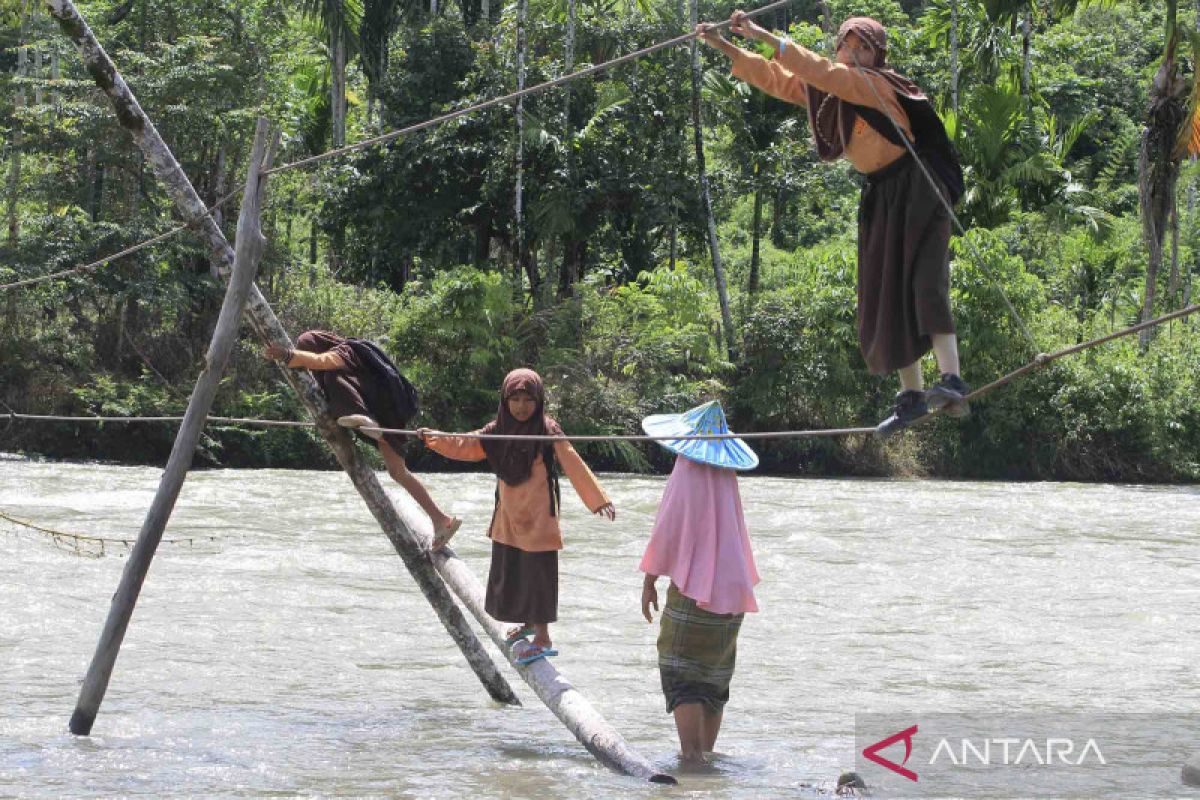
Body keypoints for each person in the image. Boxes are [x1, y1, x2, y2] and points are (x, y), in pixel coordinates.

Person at [697, 13, 970, 437]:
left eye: (864, 48)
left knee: (924, 283)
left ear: (877, 56)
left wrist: (761, 33)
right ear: (838, 46)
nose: (854, 54)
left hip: (918, 187)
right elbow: (778, 78)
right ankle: (912, 396)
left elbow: (821, 71)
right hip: (881, 194)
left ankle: (951, 379)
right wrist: (725, 45)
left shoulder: (873, 84)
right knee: (886, 293)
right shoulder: (828, 93)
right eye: (848, 45)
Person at [419, 368, 616, 665]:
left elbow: (571, 460)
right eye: (515, 399)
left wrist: (598, 500)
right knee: (513, 571)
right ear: (505, 400)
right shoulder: (498, 430)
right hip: (509, 516)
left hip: (538, 518)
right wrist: (434, 438)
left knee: (537, 575)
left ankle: (543, 638)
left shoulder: (546, 429)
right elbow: (467, 444)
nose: (521, 407)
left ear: (539, 401)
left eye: (528, 400)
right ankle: (527, 623)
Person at [639, 400, 760, 764]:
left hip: (695, 590)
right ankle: (705, 755)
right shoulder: (726, 475)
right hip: (733, 591)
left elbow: (669, 529)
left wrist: (649, 580)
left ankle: (691, 758)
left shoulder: (686, 468)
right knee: (714, 677)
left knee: (681, 670)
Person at [266, 330, 460, 542]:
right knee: (398, 472)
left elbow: (323, 361)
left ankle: (365, 420)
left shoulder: (346, 350)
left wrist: (288, 355)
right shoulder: (338, 365)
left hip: (382, 410)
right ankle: (441, 519)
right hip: (379, 416)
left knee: (332, 375)